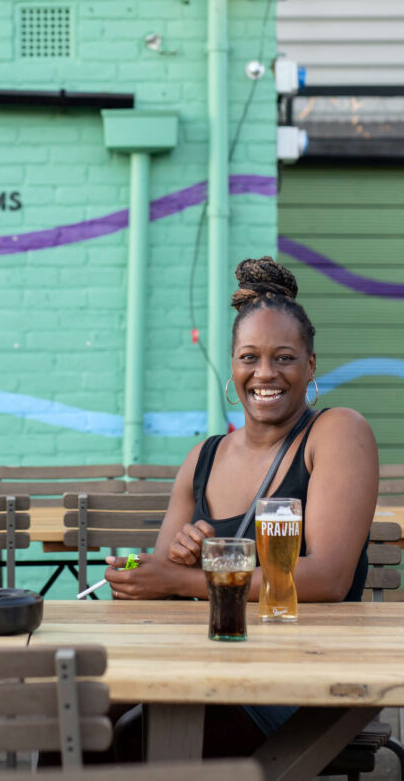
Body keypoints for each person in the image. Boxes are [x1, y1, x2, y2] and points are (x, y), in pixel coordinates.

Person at [104, 256, 378, 755]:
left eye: (285, 357)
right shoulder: (202, 457)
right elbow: (153, 586)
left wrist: (182, 580)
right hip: (209, 661)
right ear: (232, 365)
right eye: (250, 357)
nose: (265, 373)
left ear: (311, 364)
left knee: (130, 742)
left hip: (300, 675)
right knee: (73, 716)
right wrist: (156, 568)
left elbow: (328, 578)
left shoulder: (336, 433)